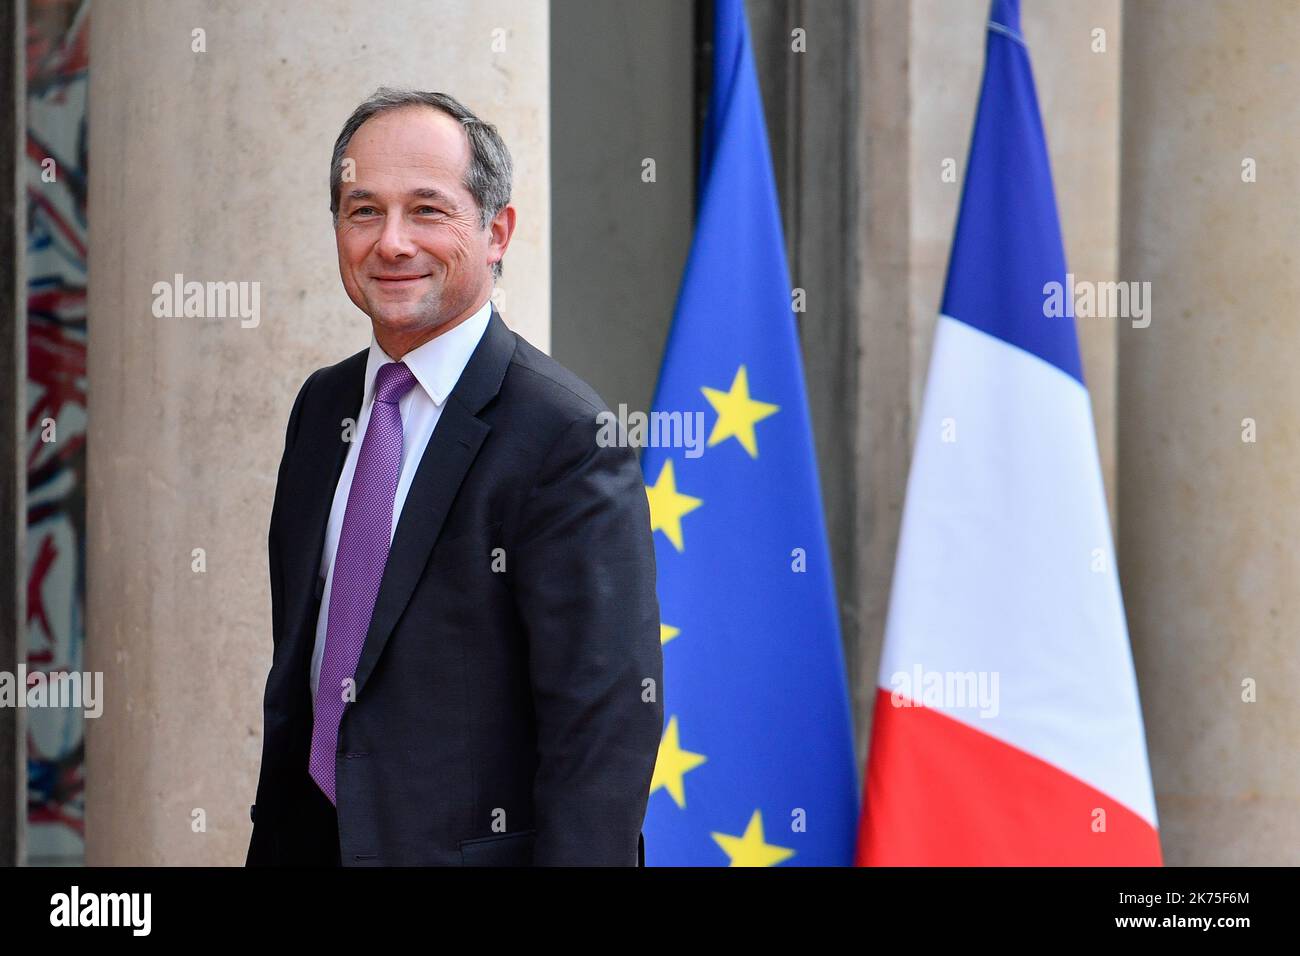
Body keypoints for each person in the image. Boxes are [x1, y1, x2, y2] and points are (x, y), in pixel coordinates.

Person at [246, 88, 662, 866]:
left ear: (496, 231)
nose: (392, 243)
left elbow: (603, 733)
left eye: (428, 210)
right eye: (363, 210)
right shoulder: (323, 407)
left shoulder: (567, 437)